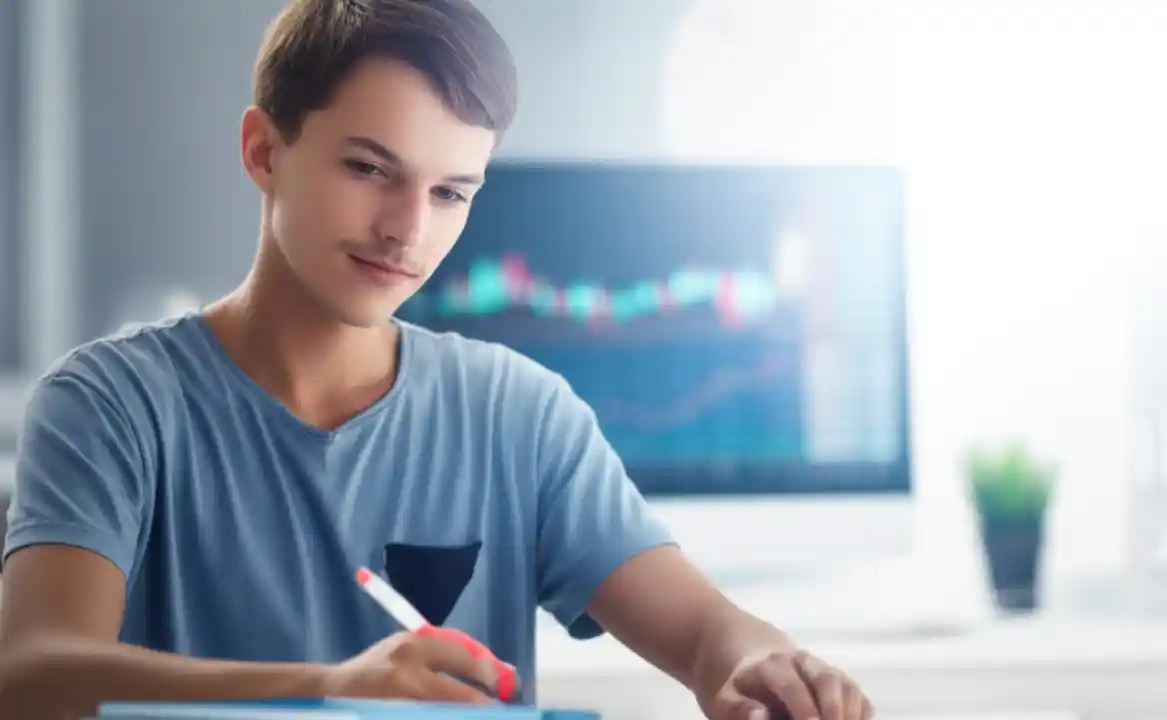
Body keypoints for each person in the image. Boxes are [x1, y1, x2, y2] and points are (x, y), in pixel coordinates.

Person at [0, 1, 873, 719]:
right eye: (369, 169)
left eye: (451, 192)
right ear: (264, 151)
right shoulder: (110, 405)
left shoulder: (519, 415)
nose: (408, 231)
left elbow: (710, 632)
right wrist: (329, 692)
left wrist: (762, 665)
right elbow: (30, 675)